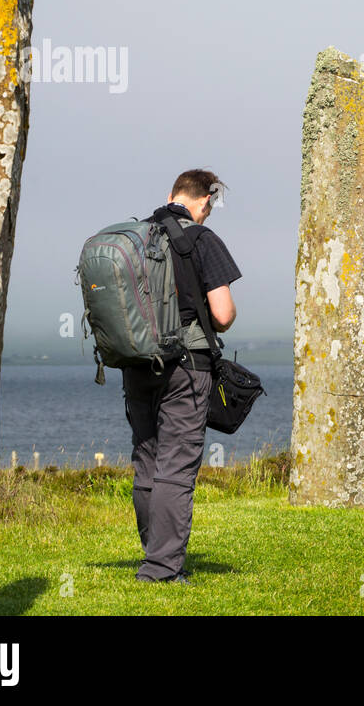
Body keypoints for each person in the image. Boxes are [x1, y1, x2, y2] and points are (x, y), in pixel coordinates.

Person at [123, 169, 241, 583]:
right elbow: (223, 314)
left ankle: (156, 554)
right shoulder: (202, 240)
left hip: (137, 365)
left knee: (147, 463)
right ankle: (161, 570)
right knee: (176, 468)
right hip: (186, 368)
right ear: (205, 202)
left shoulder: (136, 237)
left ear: (171, 194)